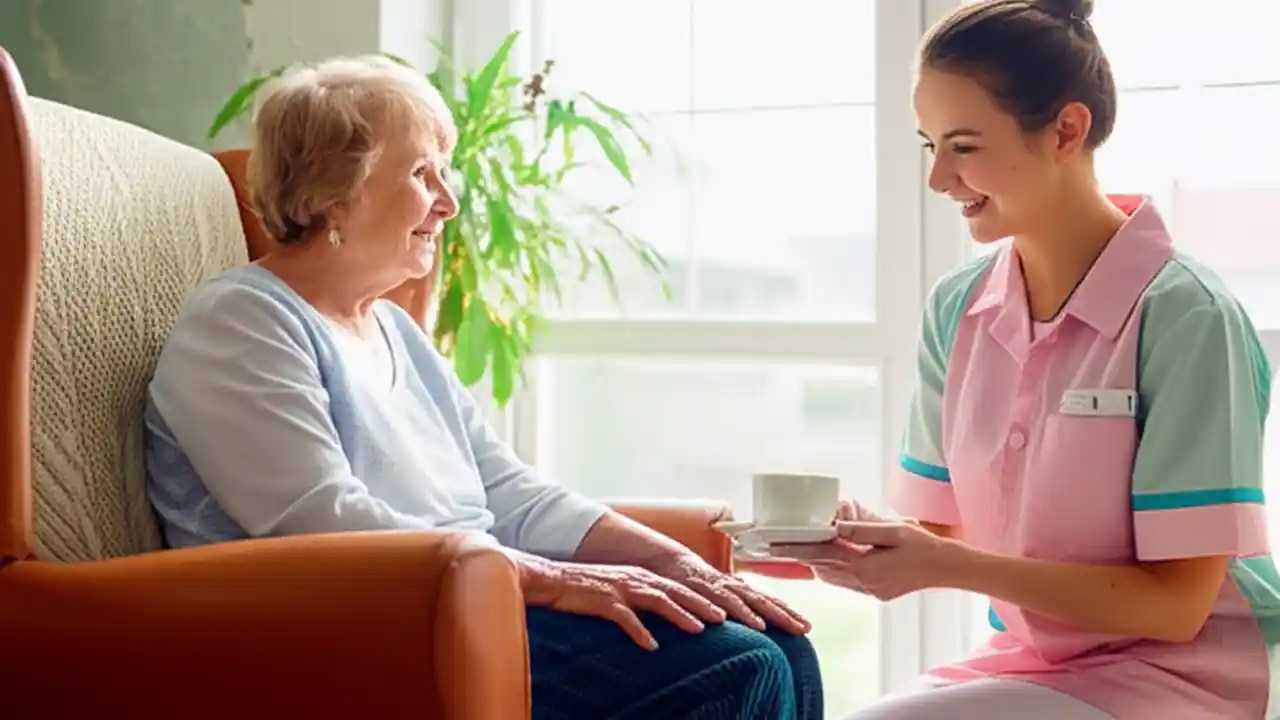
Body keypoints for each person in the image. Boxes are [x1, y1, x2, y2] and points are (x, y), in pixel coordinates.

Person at [143, 55, 822, 719]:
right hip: (353, 632)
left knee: (783, 644)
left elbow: (507, 490)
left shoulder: (393, 329)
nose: (449, 201)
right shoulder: (241, 322)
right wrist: (544, 580)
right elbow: (326, 524)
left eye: (445, 172)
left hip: (464, 604)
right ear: (330, 193)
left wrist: (678, 563)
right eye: (421, 174)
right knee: (739, 666)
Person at [771, 0, 1280, 718]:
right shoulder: (958, 308)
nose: (938, 179)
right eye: (930, 146)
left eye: (964, 146)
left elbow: (1175, 608)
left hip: (1187, 676)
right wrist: (855, 539)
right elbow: (939, 532)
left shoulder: (1186, 317)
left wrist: (946, 564)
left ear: (1067, 130)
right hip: (1030, 664)